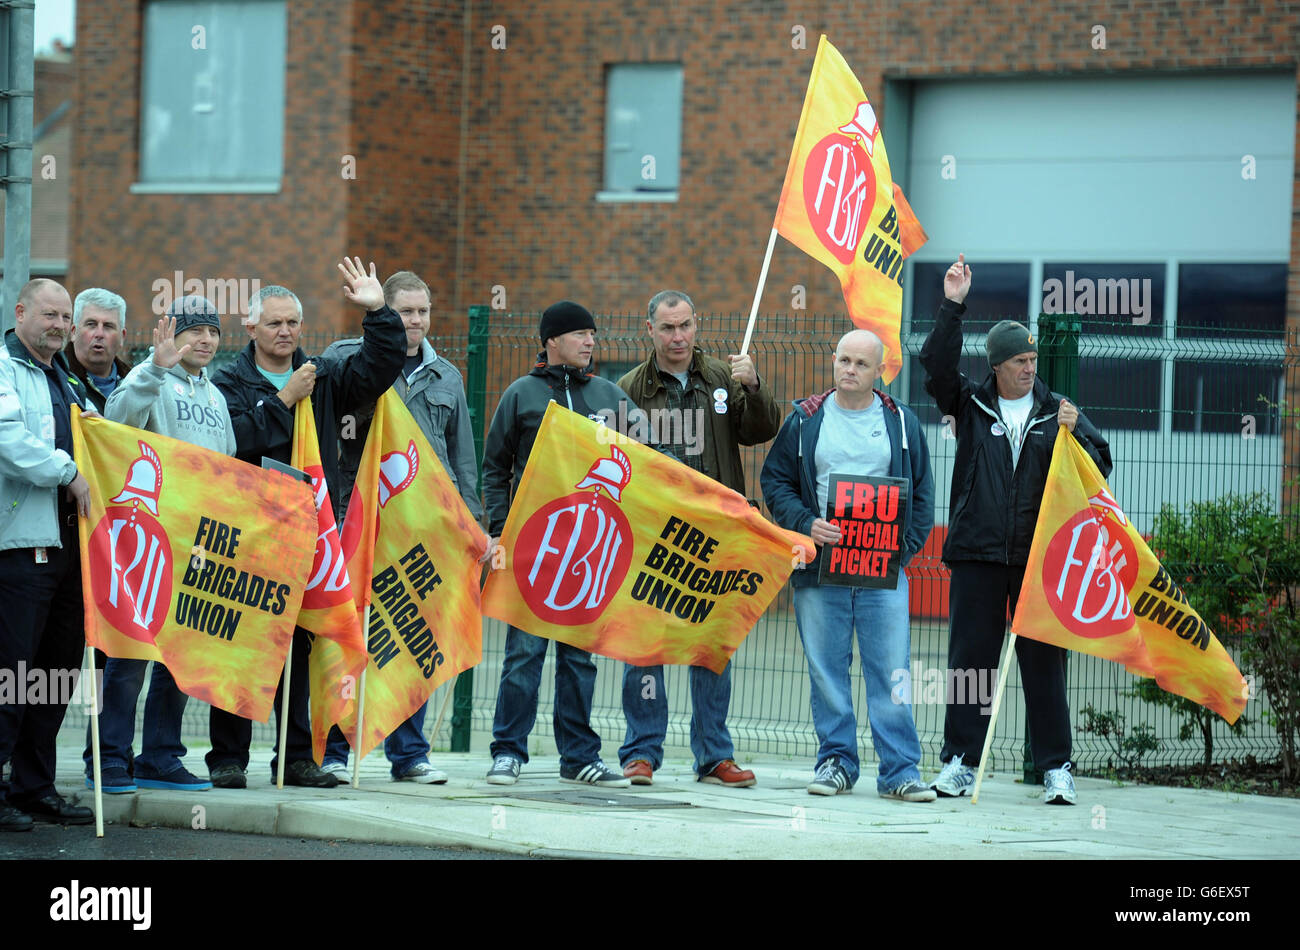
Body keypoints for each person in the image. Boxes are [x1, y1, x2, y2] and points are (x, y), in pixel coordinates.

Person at [920, 253, 1112, 805]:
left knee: (1043, 665)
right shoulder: (970, 403)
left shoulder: (1058, 411)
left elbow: (1101, 465)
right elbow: (935, 364)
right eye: (1020, 360)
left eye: (1033, 358)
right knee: (970, 666)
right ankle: (959, 763)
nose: (1029, 368)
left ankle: (1057, 769)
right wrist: (953, 303)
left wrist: (1083, 433)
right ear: (998, 366)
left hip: (1038, 558)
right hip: (977, 554)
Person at [207, 258, 406, 789]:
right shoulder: (226, 380)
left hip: (308, 538)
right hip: (246, 538)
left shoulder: (325, 376)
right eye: (274, 323)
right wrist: (282, 401)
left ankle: (296, 758)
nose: (286, 332)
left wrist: (378, 313)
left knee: (301, 644)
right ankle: (227, 758)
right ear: (250, 327)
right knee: (242, 646)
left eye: (293, 322)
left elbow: (380, 368)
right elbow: (232, 443)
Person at [319, 270, 485, 785]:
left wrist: (473, 527)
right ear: (386, 312)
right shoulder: (348, 359)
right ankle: (335, 750)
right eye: (406, 312)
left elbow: (462, 460)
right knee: (348, 638)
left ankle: (409, 753)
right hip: (357, 522)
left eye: (423, 312)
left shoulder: (448, 378)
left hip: (421, 533)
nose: (416, 321)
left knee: (412, 638)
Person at [761, 329, 937, 801]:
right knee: (826, 670)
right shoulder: (805, 420)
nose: (849, 370)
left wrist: (903, 551)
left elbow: (922, 494)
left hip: (883, 572)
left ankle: (900, 771)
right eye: (843, 360)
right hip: (820, 570)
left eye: (861, 363)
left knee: (890, 670)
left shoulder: (900, 422)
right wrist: (805, 523)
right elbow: (774, 481)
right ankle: (836, 763)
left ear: (880, 370)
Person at [615, 290, 780, 787]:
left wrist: (753, 386)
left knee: (712, 645)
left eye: (685, 325)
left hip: (717, 536)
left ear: (696, 324)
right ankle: (641, 752)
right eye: (667, 328)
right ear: (650, 331)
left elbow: (763, 429)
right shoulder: (628, 389)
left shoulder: (725, 377)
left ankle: (714, 755)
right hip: (654, 538)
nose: (678, 336)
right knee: (646, 647)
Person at [481, 301, 638, 788]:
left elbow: (648, 463)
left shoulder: (611, 396)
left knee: (579, 658)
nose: (590, 342)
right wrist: (502, 530)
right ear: (551, 341)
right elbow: (494, 468)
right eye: (578, 334)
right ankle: (508, 752)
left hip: (589, 553)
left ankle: (579, 756)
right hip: (533, 551)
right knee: (524, 656)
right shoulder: (521, 395)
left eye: (592, 334)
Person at [84, 297, 235, 794]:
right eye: (194, 331)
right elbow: (117, 416)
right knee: (130, 654)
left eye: (212, 331)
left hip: (199, 547)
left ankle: (161, 756)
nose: (205, 340)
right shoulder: (152, 379)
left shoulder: (216, 397)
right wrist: (154, 366)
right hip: (149, 544)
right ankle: (108, 759)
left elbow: (227, 465)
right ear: (174, 336)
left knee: (180, 659)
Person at [0, 279, 93, 830]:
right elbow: (6, 437)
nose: (59, 325)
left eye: (66, 318)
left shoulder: (67, 377)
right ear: (21, 312)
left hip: (69, 549)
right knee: (13, 673)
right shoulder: (6, 368)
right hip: (21, 549)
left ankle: (34, 787)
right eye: (50, 314)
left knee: (54, 677)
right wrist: (70, 472)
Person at [66, 288, 131, 411]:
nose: (99, 334)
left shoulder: (135, 383)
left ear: (122, 337)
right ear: (74, 332)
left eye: (108, 326)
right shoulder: (56, 377)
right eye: (91, 324)